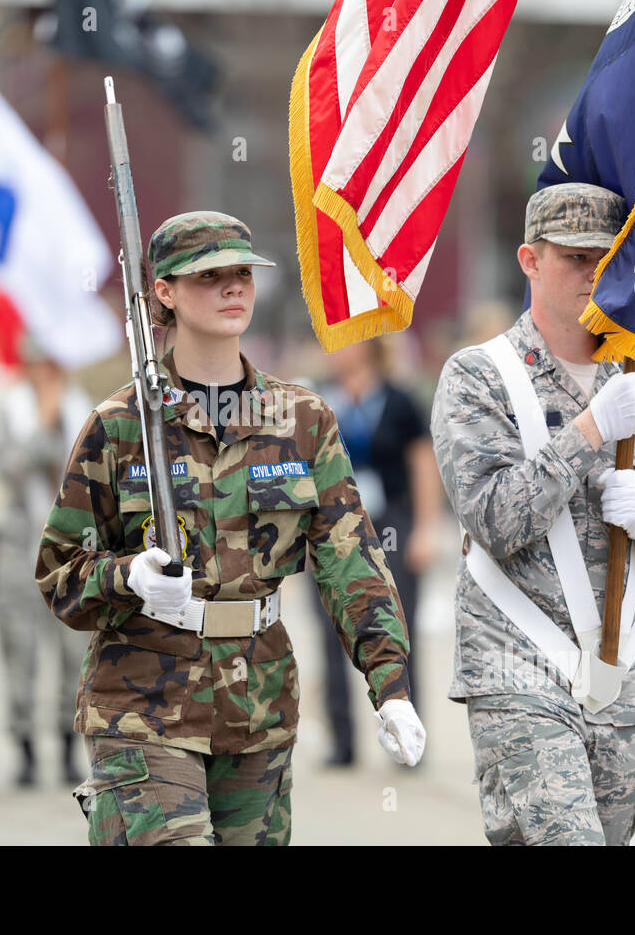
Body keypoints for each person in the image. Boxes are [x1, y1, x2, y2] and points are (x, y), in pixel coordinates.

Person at [35, 211, 424, 846]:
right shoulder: (122, 424)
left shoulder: (302, 420)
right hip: (143, 704)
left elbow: (350, 561)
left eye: (242, 274)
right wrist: (125, 576)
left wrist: (391, 685)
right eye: (210, 276)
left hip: (258, 703)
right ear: (164, 292)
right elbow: (57, 573)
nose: (233, 288)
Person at [431, 182, 635, 845]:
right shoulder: (479, 378)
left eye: (610, 258)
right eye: (575, 257)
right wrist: (587, 431)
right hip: (517, 668)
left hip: (619, 679)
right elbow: (495, 520)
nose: (595, 274)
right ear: (530, 261)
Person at [310, 338, 442, 767]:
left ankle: (407, 739)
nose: (332, 350)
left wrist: (425, 529)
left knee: (396, 629)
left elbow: (423, 465)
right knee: (331, 631)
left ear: (367, 347)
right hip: (333, 527)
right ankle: (342, 743)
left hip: (391, 523)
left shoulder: (399, 401)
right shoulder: (318, 401)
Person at [0, 336, 92, 785]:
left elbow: (92, 476)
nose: (44, 373)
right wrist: (42, 429)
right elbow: (5, 468)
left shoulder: (84, 412)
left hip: (72, 550)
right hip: (20, 546)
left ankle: (67, 746)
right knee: (20, 647)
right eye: (36, 365)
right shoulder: (6, 413)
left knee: (74, 652)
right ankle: (25, 746)